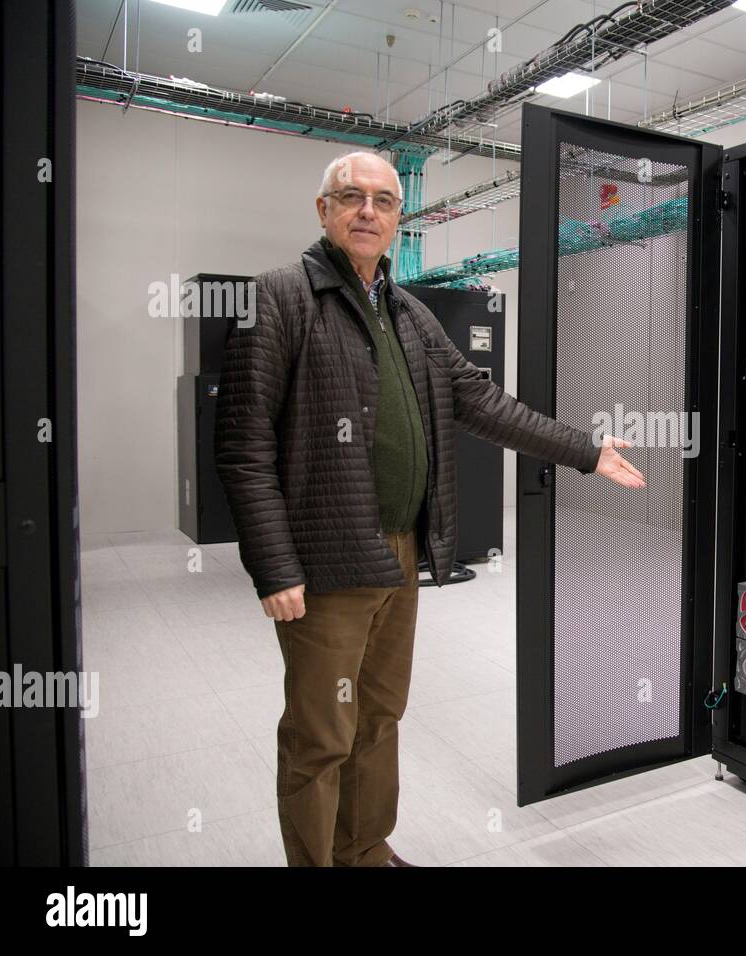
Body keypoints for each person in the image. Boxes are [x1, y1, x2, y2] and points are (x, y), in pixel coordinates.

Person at [213, 150, 644, 867]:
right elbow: (242, 448)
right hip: (325, 562)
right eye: (351, 197)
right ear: (323, 210)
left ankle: (365, 851)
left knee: (379, 717)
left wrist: (585, 450)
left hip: (401, 551)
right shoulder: (280, 299)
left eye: (384, 200)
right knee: (322, 734)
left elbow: (479, 400)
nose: (368, 212)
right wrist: (272, 565)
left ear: (398, 218)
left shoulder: (408, 313)